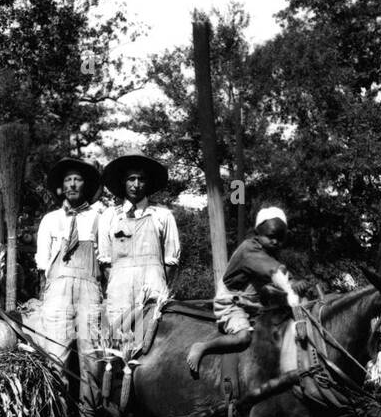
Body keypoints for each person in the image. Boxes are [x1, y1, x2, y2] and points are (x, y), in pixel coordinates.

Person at [185, 207, 303, 377]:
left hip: (254, 304)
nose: (276, 242)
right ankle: (203, 346)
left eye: (280, 238)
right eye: (271, 237)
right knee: (243, 337)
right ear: (258, 232)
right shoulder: (249, 249)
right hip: (231, 304)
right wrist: (291, 282)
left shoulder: (270, 252)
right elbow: (273, 270)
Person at [35, 157, 105, 401]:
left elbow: (105, 258)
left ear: (84, 185)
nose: (73, 184)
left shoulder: (99, 219)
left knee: (92, 360)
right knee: (56, 357)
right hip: (58, 292)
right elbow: (43, 263)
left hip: (89, 290)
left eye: (78, 179)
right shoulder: (50, 220)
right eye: (68, 180)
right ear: (62, 187)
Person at [97, 154, 180, 349]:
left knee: (152, 347)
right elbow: (106, 262)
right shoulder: (109, 216)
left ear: (148, 183)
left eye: (141, 179)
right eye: (131, 179)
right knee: (117, 349)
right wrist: (120, 283)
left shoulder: (163, 216)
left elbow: (171, 262)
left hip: (152, 290)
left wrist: (157, 287)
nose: (136, 184)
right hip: (120, 292)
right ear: (123, 183)